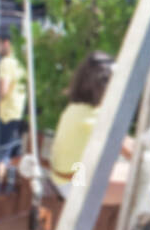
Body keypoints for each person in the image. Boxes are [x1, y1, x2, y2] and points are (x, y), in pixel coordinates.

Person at [49, 51, 131, 197]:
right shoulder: (95, 117)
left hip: (66, 178)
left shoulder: (74, 109)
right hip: (75, 185)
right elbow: (131, 151)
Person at [0, 29, 26, 161]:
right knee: (7, 155)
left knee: (0, 157)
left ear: (5, 43)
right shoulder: (20, 62)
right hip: (17, 113)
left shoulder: (6, 62)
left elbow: (3, 90)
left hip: (5, 115)